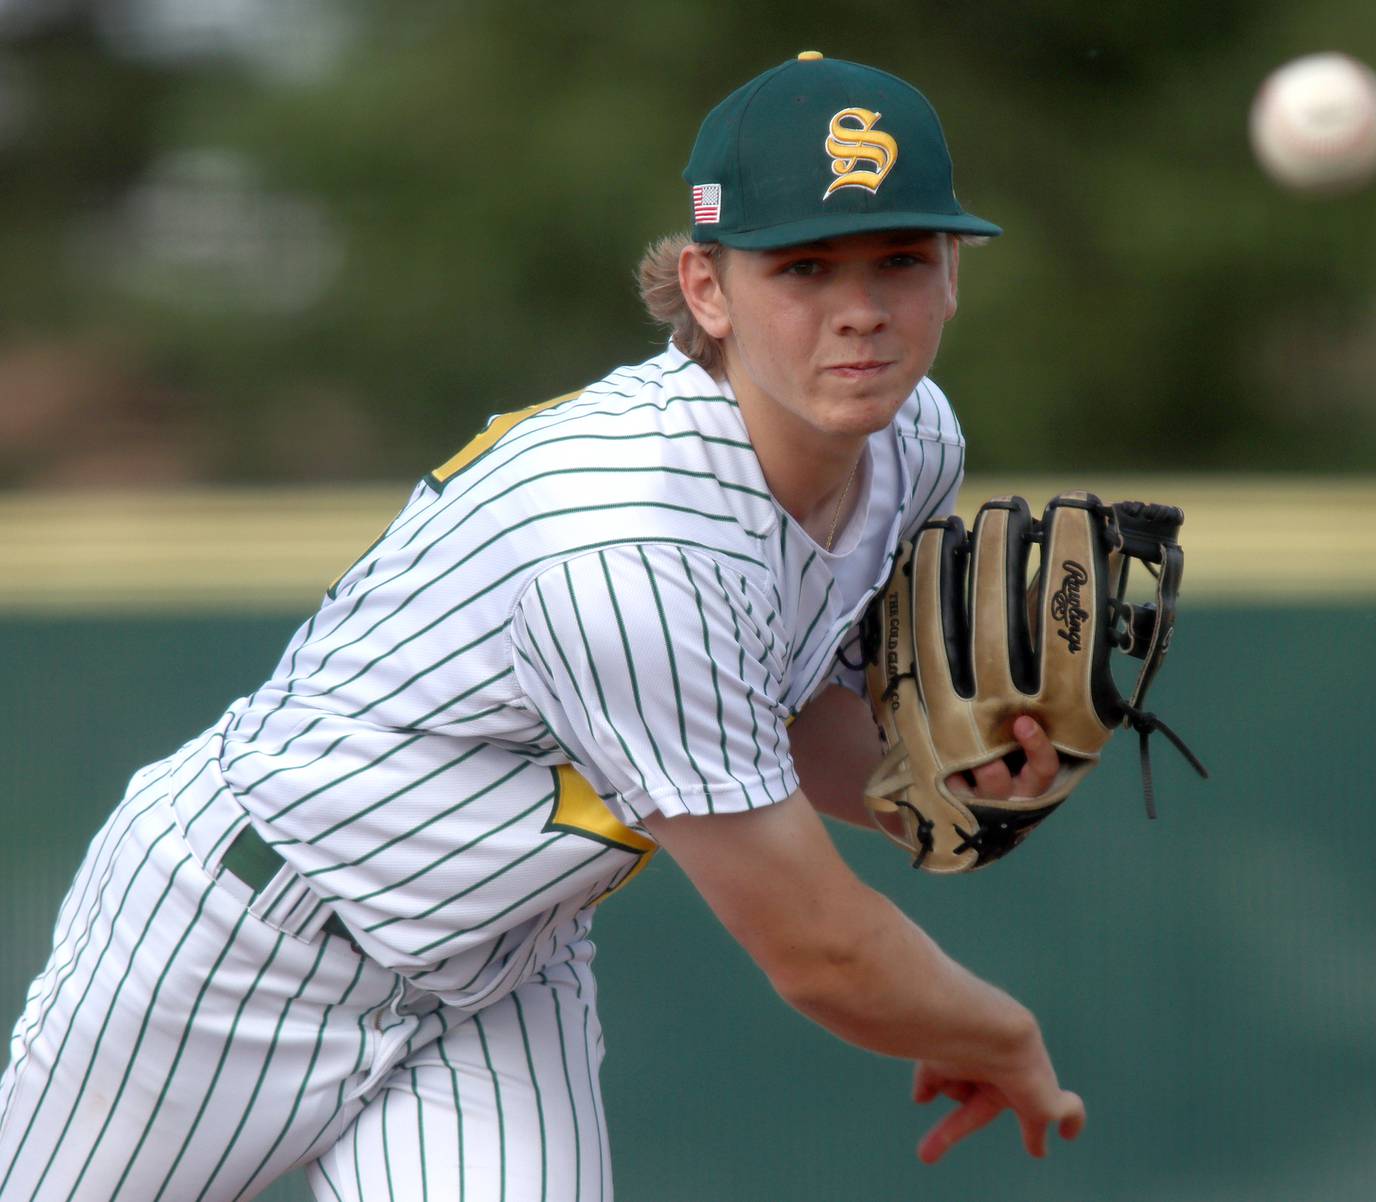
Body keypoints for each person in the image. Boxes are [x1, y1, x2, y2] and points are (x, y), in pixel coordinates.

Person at [0, 51, 1085, 1200]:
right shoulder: (629, 542)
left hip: (500, 970)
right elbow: (817, 948)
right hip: (238, 952)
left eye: (901, 258)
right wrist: (993, 1027)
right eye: (804, 265)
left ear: (953, 271)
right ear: (709, 289)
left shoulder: (915, 440)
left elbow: (771, 705)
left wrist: (939, 784)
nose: (860, 309)